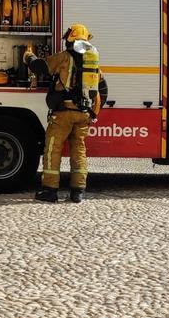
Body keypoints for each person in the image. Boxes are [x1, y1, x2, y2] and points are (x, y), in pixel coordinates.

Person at [24, 23, 108, 203]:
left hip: (63, 114)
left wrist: (29, 57)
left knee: (53, 149)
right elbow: (103, 89)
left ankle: (50, 190)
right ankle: (78, 191)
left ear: (70, 38)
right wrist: (93, 114)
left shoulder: (64, 57)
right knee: (79, 150)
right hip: (84, 114)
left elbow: (41, 67)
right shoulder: (92, 62)